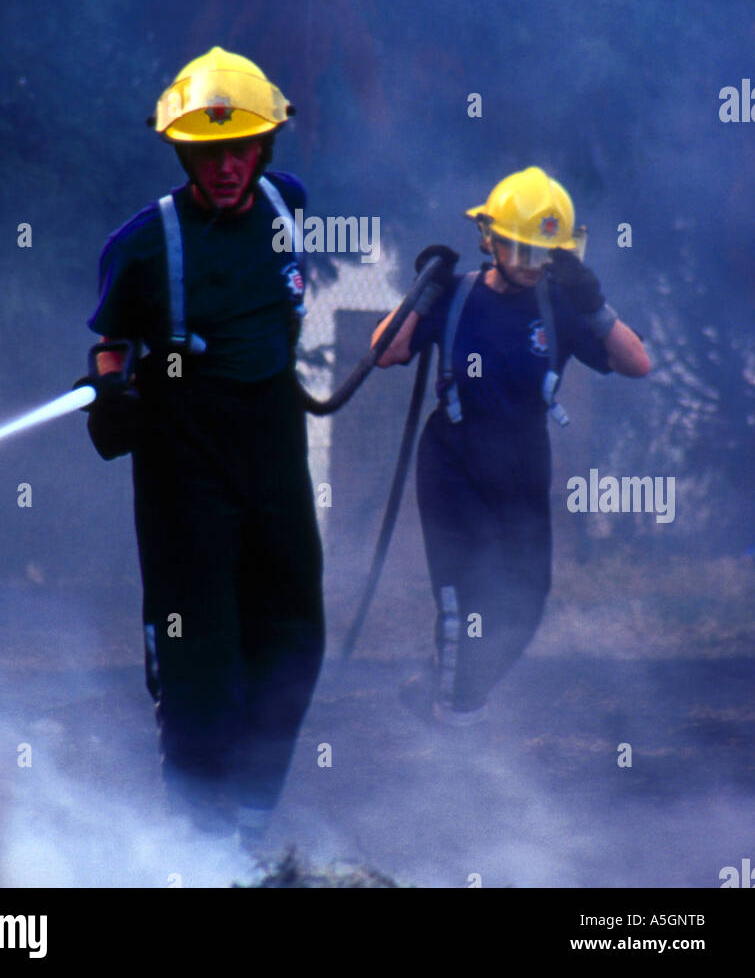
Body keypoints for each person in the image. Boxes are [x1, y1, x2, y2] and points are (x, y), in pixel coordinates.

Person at [83, 47, 324, 850]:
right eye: (208, 152)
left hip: (274, 441)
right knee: (200, 656)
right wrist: (111, 390)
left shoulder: (288, 203)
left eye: (241, 149)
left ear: (264, 148)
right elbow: (112, 344)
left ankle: (249, 832)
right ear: (183, 153)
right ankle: (198, 845)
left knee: (292, 637)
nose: (226, 168)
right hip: (184, 456)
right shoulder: (142, 245)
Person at [372, 166, 650, 726]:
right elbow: (384, 352)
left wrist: (594, 305)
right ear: (490, 239)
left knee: (525, 602)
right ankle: (454, 722)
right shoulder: (456, 295)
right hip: (452, 458)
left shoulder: (562, 307)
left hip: (523, 460)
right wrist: (421, 294)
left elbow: (636, 364)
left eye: (540, 252)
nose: (528, 262)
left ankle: (449, 689)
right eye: (518, 247)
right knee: (462, 597)